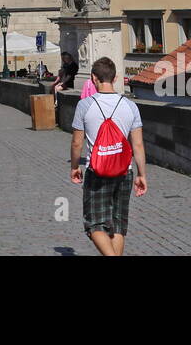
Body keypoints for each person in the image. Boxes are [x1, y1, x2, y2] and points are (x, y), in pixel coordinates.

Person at [70, 57, 147, 257]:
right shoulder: (130, 106)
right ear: (115, 78)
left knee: (95, 224)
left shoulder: (85, 105)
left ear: (94, 78)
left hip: (98, 170)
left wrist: (75, 166)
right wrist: (142, 174)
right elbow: (137, 145)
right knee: (118, 224)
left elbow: (77, 142)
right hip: (125, 171)